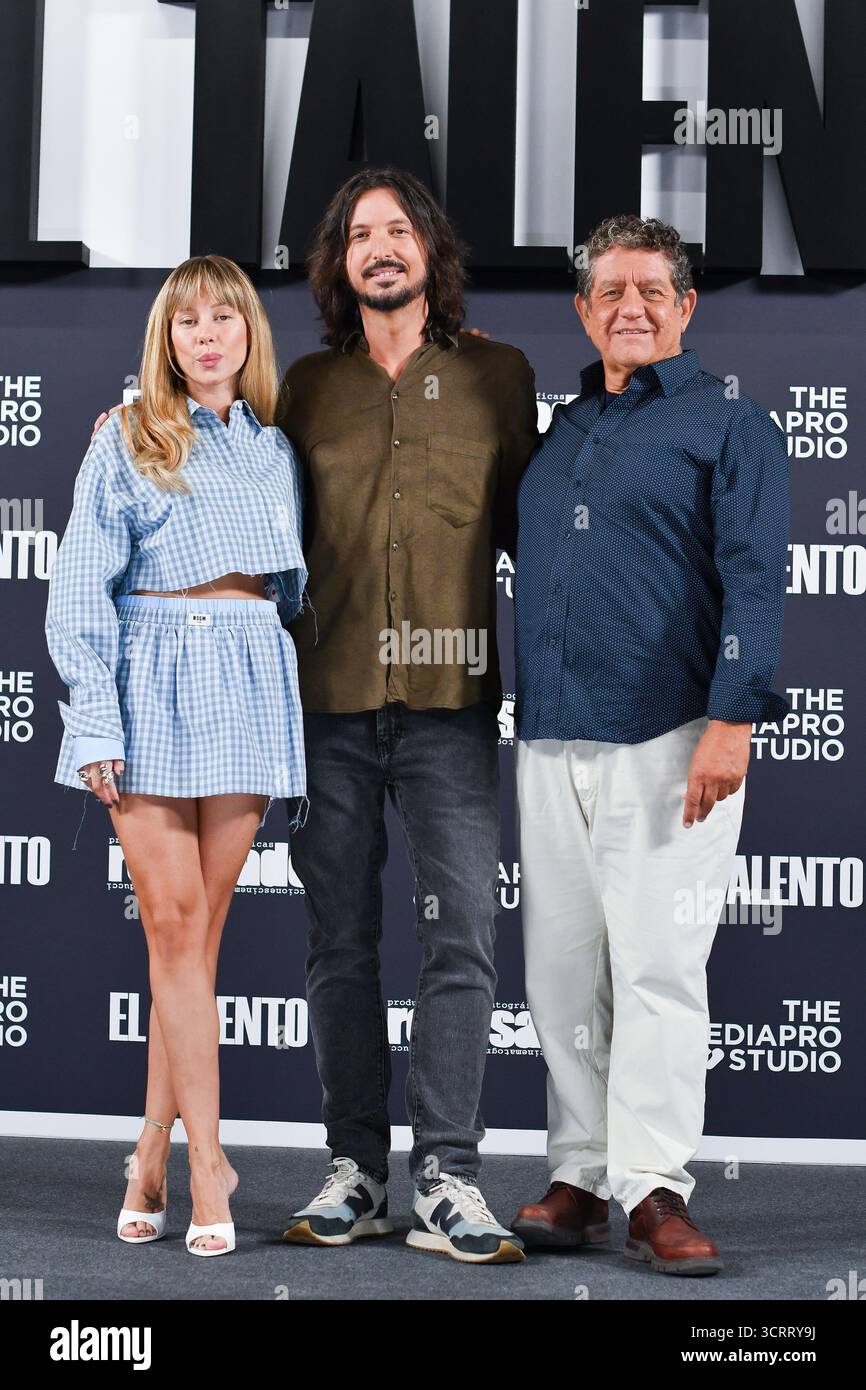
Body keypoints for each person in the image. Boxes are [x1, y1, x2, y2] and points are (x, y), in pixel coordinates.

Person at [510, 214, 789, 1275]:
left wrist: (732, 718)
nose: (630, 306)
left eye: (651, 291)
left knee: (659, 970)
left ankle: (656, 1185)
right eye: (610, 291)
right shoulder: (561, 431)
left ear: (685, 307)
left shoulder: (731, 425)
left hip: (670, 734)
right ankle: (582, 1175)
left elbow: (755, 577)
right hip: (550, 735)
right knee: (560, 974)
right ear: (583, 310)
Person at [276, 168, 538, 1263]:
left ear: (429, 247)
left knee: (462, 939)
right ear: (339, 263)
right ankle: (357, 1171)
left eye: (396, 230)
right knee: (339, 945)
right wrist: (135, 418)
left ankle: (447, 1176)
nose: (379, 248)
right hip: (327, 707)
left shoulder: (497, 376)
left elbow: (542, 531)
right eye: (358, 235)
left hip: (450, 709)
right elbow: (227, 481)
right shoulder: (301, 387)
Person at [45, 254, 307, 1257]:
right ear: (166, 336)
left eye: (223, 318)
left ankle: (148, 1154)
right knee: (173, 923)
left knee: (192, 950)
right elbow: (81, 586)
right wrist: (95, 720)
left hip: (244, 676)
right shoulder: (125, 434)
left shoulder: (274, 449)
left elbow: (288, 587)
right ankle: (211, 1164)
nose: (206, 335)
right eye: (188, 320)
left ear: (248, 334)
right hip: (149, 672)